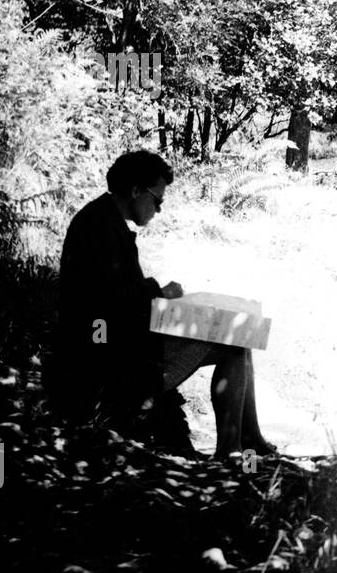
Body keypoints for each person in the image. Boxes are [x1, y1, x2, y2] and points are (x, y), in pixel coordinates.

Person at [51, 150, 274, 460]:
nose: (158, 209)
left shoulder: (103, 219)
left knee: (240, 338)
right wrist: (161, 292)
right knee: (234, 347)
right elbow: (111, 302)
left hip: (117, 344)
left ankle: (251, 441)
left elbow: (115, 297)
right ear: (135, 191)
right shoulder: (100, 226)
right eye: (157, 200)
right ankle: (231, 453)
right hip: (109, 360)